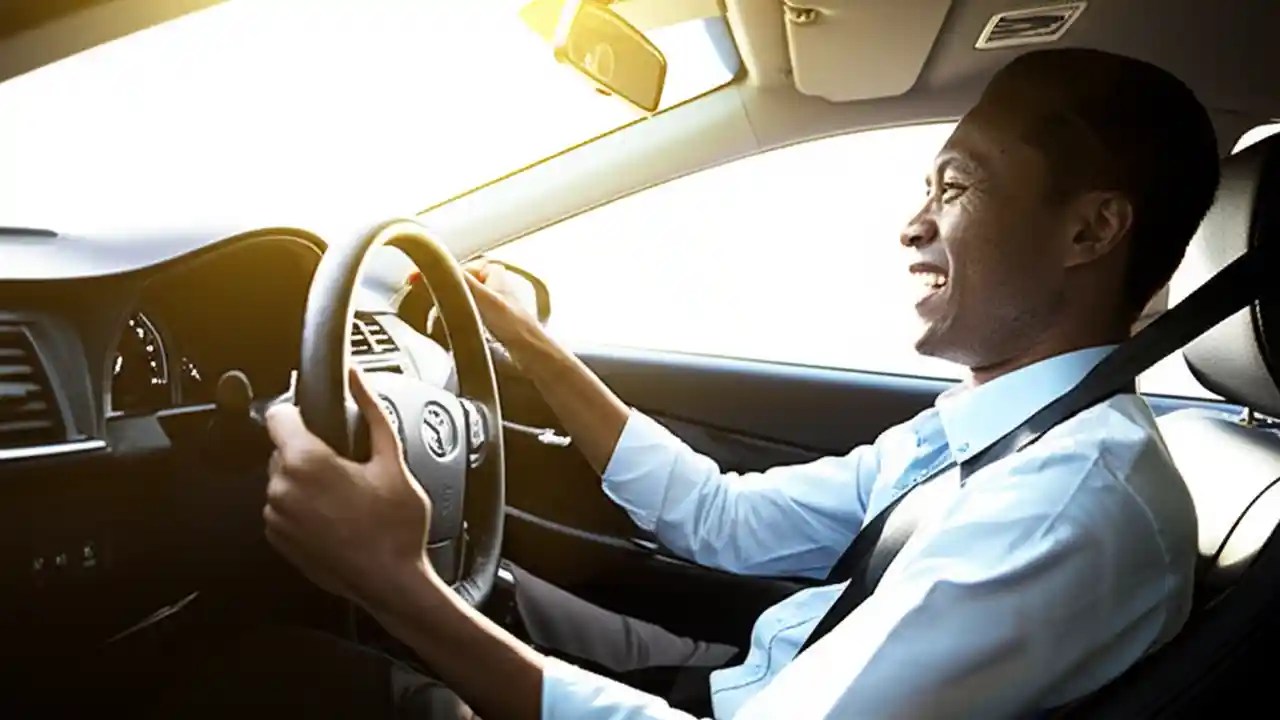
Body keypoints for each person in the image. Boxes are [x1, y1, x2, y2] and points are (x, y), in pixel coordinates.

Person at [198, 48, 1222, 719]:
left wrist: (393, 580)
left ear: (1090, 230)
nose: (911, 224)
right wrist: (532, 349)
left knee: (273, 679)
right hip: (742, 679)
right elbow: (722, 521)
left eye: (954, 187)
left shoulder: (1064, 505)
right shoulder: (1013, 428)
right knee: (491, 593)